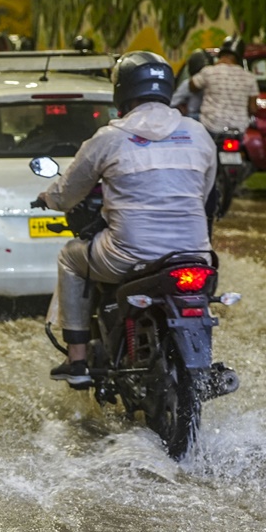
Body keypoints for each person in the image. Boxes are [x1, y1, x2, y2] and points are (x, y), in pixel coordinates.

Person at [35, 51, 217, 386]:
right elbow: (203, 194)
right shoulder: (198, 133)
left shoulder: (110, 137)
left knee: (69, 258)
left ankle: (76, 363)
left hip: (129, 256)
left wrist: (48, 197)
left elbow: (66, 194)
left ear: (122, 91)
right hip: (194, 255)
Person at [190, 35, 258, 135]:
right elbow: (253, 109)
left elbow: (192, 86)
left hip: (211, 126)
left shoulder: (210, 71)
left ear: (221, 53)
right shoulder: (250, 77)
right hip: (238, 129)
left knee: (189, 118)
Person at [171, 48, 211, 120]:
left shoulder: (188, 83)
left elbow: (172, 103)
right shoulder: (187, 84)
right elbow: (173, 104)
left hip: (202, 119)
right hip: (205, 120)